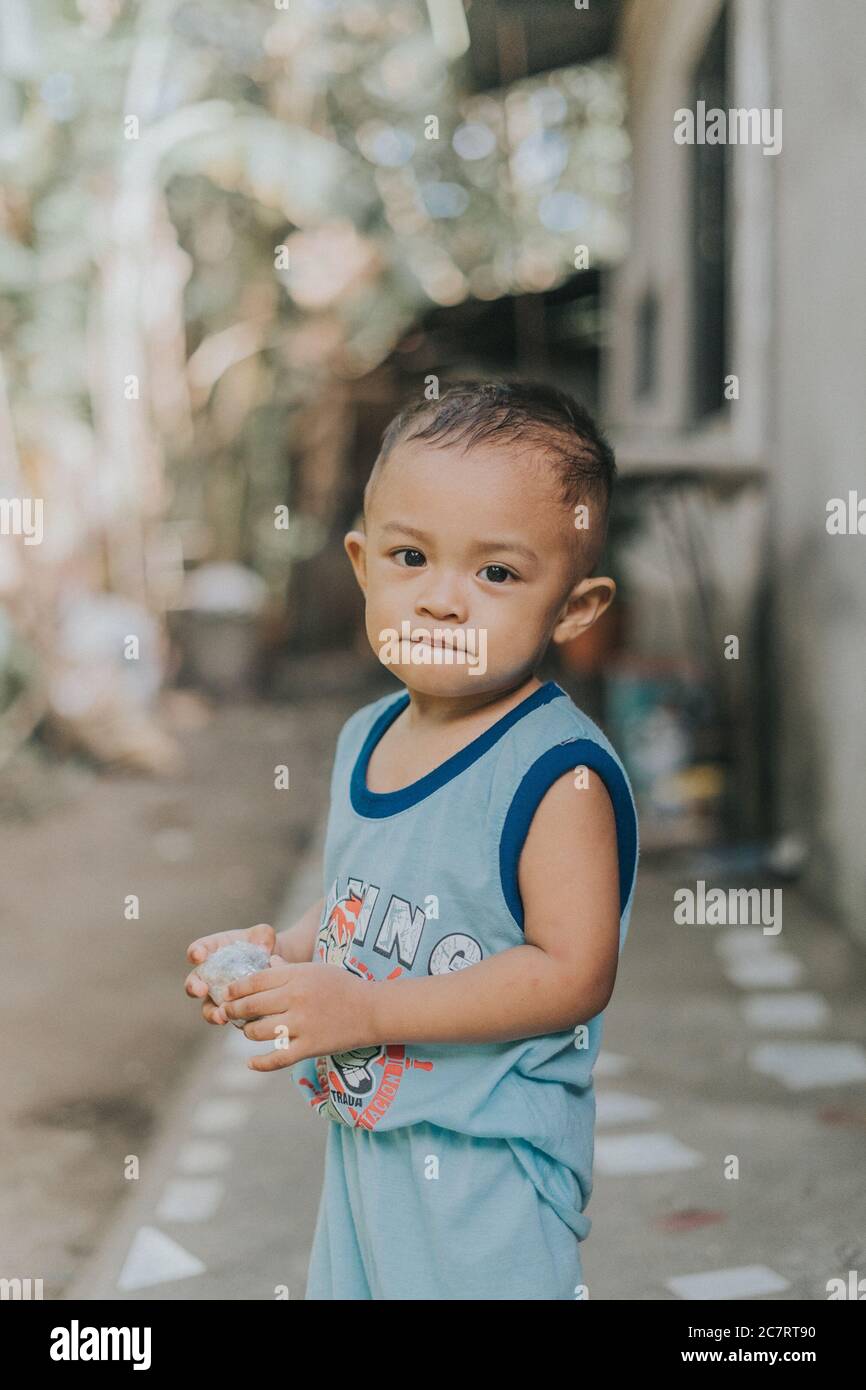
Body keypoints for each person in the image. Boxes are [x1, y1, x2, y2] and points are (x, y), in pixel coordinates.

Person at [185, 380, 639, 1300]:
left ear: (575, 608)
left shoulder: (559, 775)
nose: (441, 601)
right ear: (362, 564)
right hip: (368, 1139)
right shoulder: (367, 736)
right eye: (410, 556)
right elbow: (374, 892)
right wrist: (279, 953)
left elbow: (572, 973)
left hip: (486, 1164)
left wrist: (368, 1013)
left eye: (497, 574)